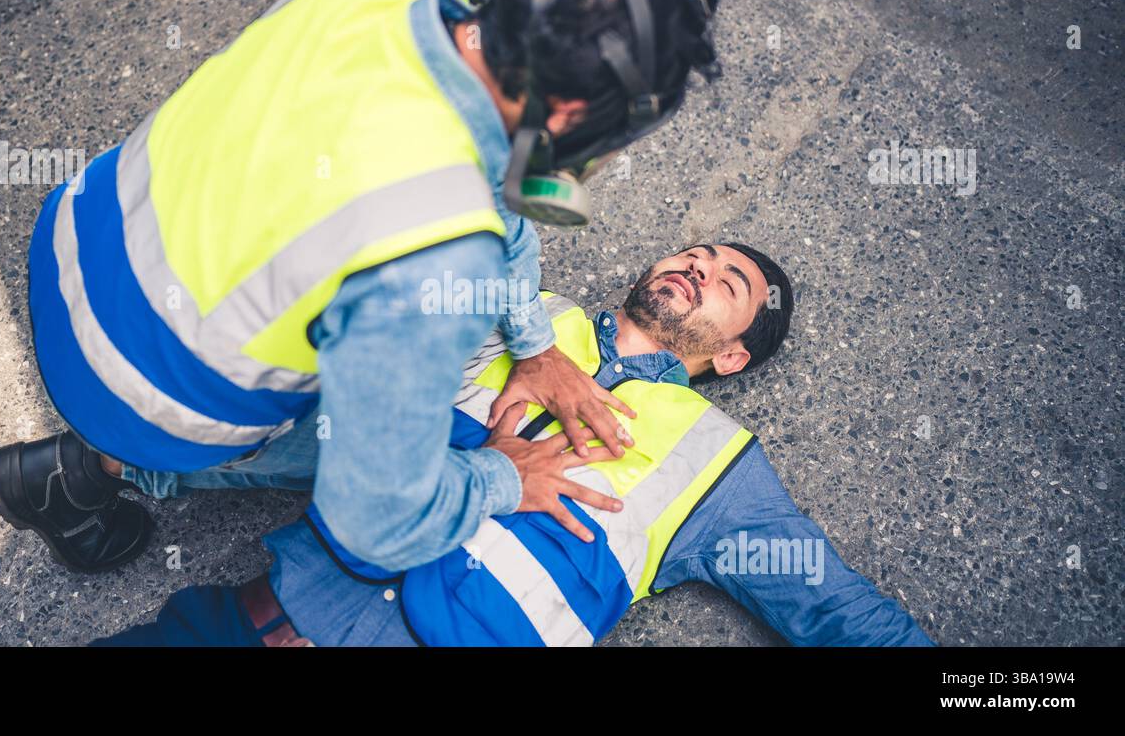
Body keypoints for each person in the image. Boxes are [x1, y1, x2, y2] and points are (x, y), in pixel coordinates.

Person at [0, 0, 725, 574]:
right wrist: (500, 477)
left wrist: (533, 342)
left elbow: (470, 145)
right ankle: (87, 474)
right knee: (414, 442)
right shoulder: (440, 257)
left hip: (77, 242)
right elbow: (377, 524)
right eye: (614, 141)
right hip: (132, 383)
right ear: (566, 120)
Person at [94, 244, 934, 647]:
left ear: (732, 354)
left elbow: (838, 614)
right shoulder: (524, 301)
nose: (699, 269)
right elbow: (338, 412)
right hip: (241, 622)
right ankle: (98, 467)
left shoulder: (714, 457)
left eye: (728, 286)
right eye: (699, 254)